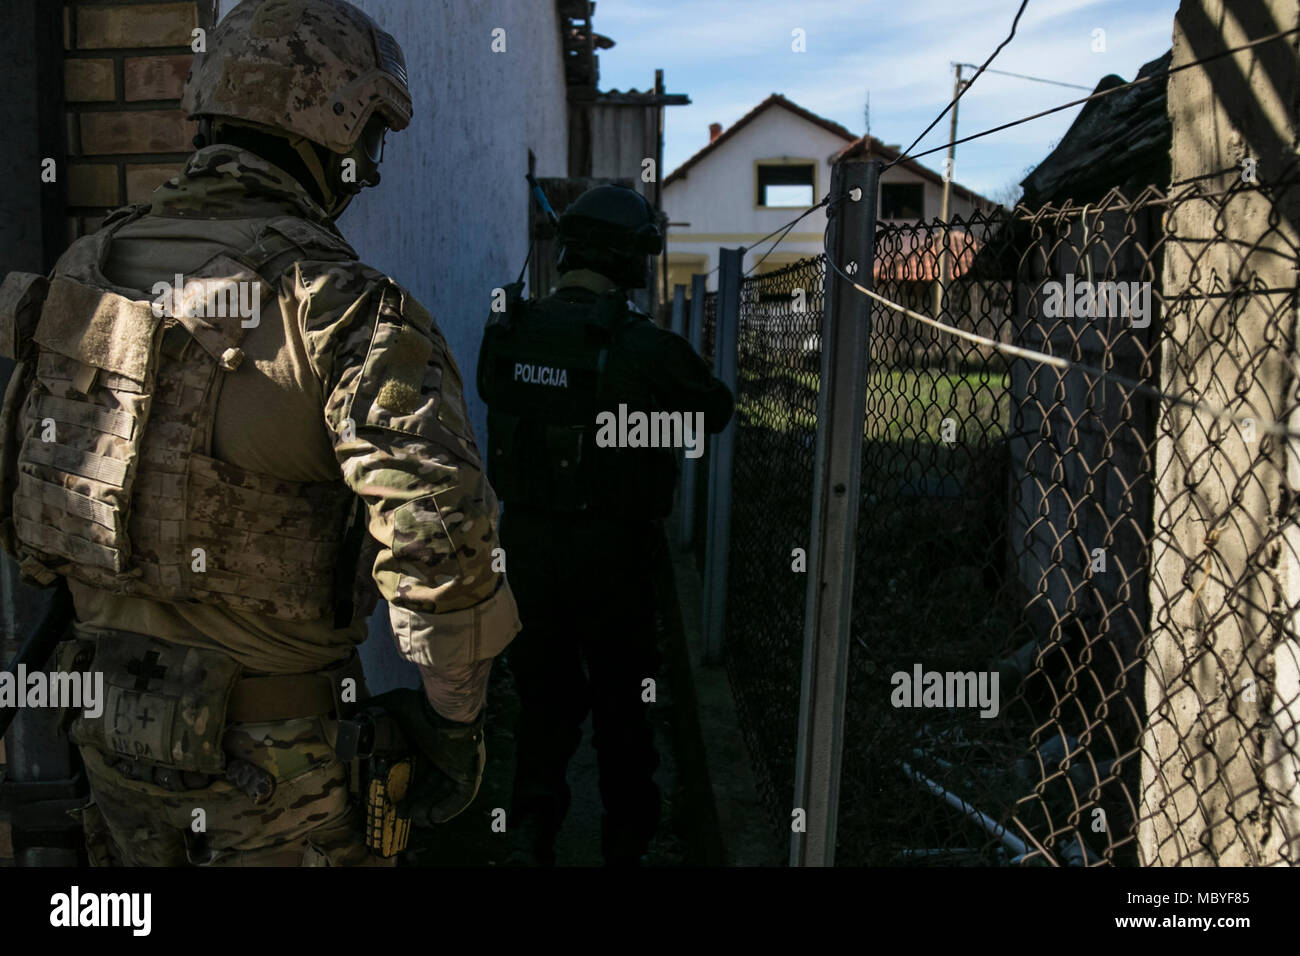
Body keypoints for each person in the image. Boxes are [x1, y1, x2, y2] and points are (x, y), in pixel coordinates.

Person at [0, 0, 518, 866]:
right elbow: (442, 554)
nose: (369, 172)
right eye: (369, 142)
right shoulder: (346, 309)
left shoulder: (82, 276)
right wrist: (453, 724)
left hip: (107, 756)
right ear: (330, 129)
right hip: (277, 782)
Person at [476, 183, 734, 865]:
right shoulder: (645, 346)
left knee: (543, 695)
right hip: (613, 553)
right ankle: (626, 838)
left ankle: (534, 821)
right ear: (631, 260)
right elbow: (713, 410)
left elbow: (500, 393)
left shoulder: (509, 328)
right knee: (623, 698)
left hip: (525, 548)